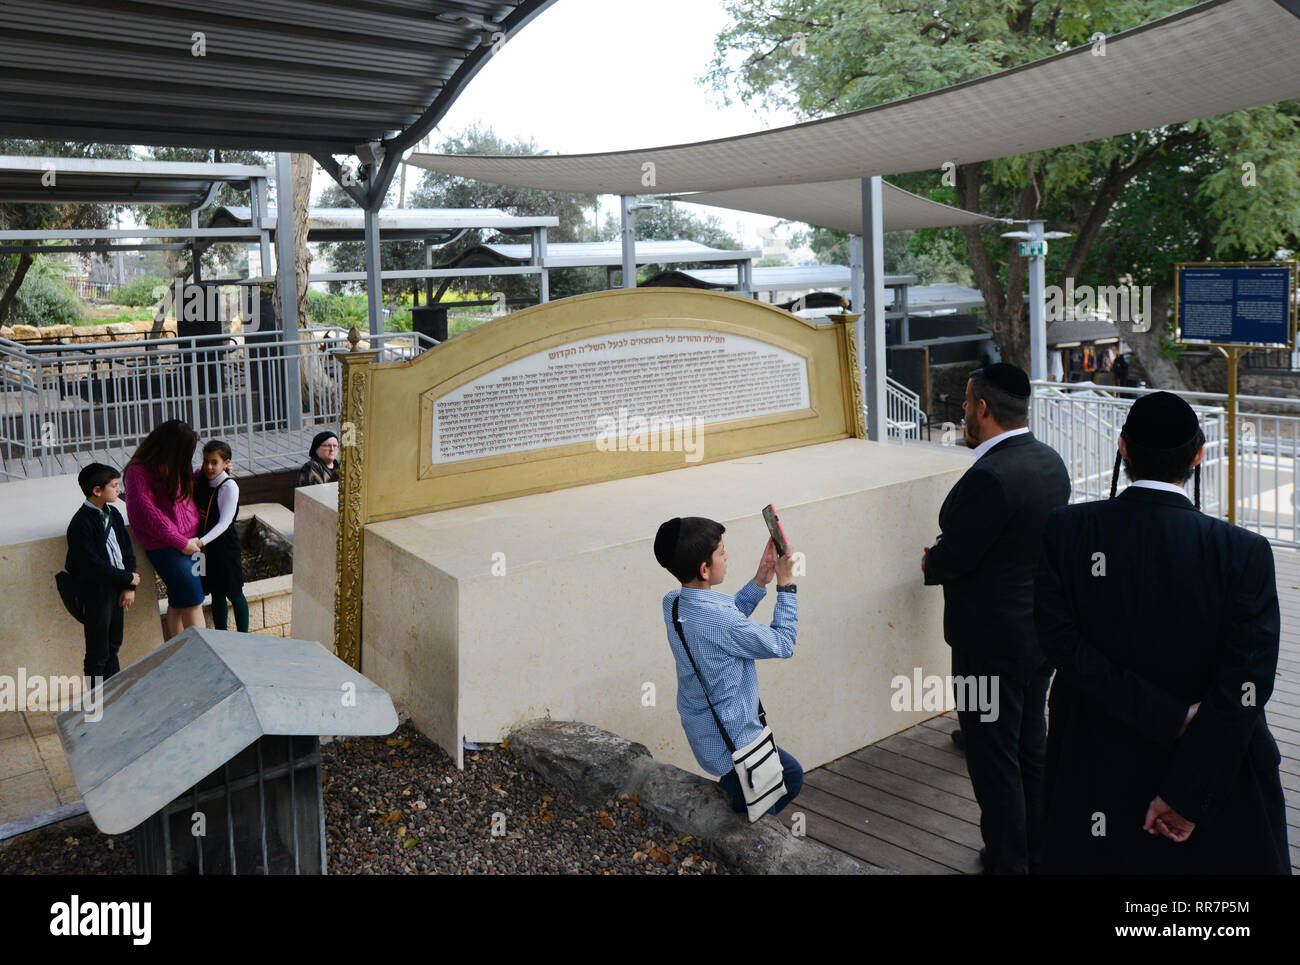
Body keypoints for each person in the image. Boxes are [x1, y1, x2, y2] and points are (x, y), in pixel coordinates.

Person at [1034, 391, 1289, 874]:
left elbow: (1060, 645)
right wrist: (1186, 798)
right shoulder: (1243, 552)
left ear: (1123, 448)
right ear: (1199, 455)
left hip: (1094, 765)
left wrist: (1164, 713)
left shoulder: (1067, 531)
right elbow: (1246, 686)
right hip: (1216, 775)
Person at [921, 363, 1071, 874]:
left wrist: (931, 561)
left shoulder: (988, 475)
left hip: (989, 642)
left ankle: (1008, 860)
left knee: (992, 755)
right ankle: (1039, 846)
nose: (963, 413)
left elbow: (956, 557)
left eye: (965, 404)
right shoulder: (1051, 462)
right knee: (1031, 743)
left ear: (981, 409)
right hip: (1037, 635)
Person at [654, 516, 803, 816]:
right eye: (722, 552)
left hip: (708, 733)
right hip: (737, 743)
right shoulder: (720, 623)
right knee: (770, 797)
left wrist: (762, 578)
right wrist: (785, 585)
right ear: (704, 569)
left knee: (788, 777)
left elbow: (725, 619)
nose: (727, 556)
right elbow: (783, 643)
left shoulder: (672, 603)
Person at [124, 419, 205, 638]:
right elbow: (148, 514)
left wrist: (210, 473)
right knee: (194, 601)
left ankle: (179, 653)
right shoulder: (137, 472)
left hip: (193, 542)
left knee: (180, 601)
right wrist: (181, 542)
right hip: (168, 546)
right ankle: (201, 657)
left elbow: (182, 492)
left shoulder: (173, 461)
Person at [66, 463, 141, 682]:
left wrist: (129, 586)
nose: (119, 490)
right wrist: (127, 578)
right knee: (98, 652)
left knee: (113, 645)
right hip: (97, 594)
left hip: (118, 589)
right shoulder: (80, 524)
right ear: (97, 491)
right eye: (114, 486)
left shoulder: (114, 513)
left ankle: (112, 696)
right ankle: (96, 704)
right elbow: (91, 565)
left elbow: (127, 550)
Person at [194, 440, 249, 633]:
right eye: (206, 461)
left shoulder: (229, 486)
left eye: (214, 462)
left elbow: (224, 523)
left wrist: (201, 542)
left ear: (226, 462)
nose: (209, 467)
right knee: (215, 592)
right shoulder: (201, 481)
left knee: (234, 592)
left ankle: (244, 636)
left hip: (223, 547)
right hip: (202, 550)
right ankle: (221, 634)